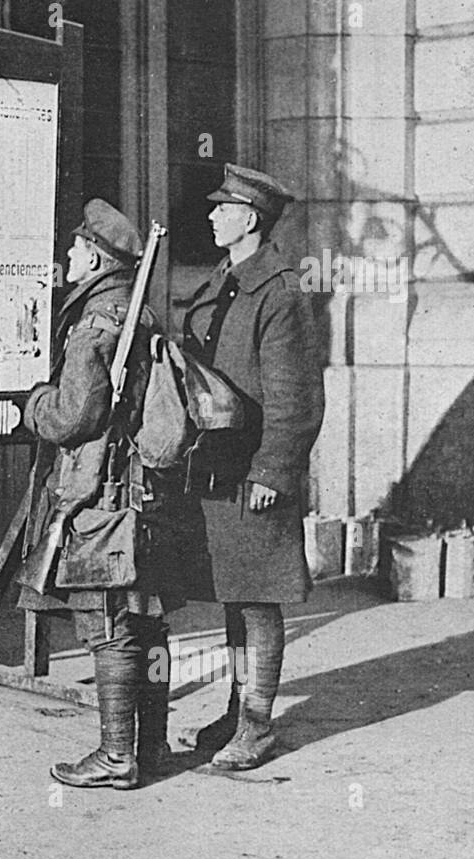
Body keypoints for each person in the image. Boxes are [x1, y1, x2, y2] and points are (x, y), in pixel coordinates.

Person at [19, 199, 189, 790]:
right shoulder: (138, 315)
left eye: (73, 248)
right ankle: (155, 748)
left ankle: (118, 756)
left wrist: (35, 402)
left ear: (92, 254)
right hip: (146, 496)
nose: (66, 257)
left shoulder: (96, 322)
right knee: (146, 620)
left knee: (109, 621)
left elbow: (75, 416)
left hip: (104, 498)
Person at [178, 163, 325, 770]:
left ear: (250, 218)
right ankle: (239, 709)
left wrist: (272, 472)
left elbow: (297, 399)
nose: (212, 216)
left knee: (259, 601)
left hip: (254, 471)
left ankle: (259, 724)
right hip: (219, 465)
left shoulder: (280, 291)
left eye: (222, 208)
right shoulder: (228, 278)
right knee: (236, 598)